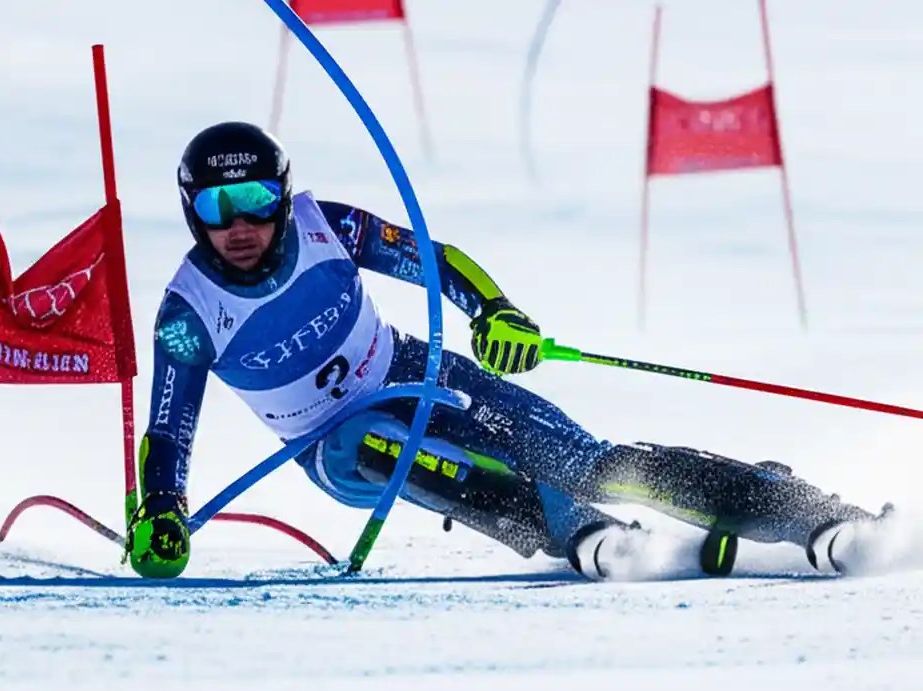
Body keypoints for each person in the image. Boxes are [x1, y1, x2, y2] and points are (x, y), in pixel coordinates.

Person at [125, 120, 886, 580]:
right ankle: (589, 539)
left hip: (420, 371)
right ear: (190, 210)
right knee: (380, 444)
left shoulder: (329, 227)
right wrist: (162, 507)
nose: (240, 224)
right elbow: (169, 429)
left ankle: (804, 513)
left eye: (256, 200)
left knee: (590, 460)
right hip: (336, 443)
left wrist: (495, 311)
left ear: (284, 198)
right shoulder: (189, 314)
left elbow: (434, 258)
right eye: (217, 207)